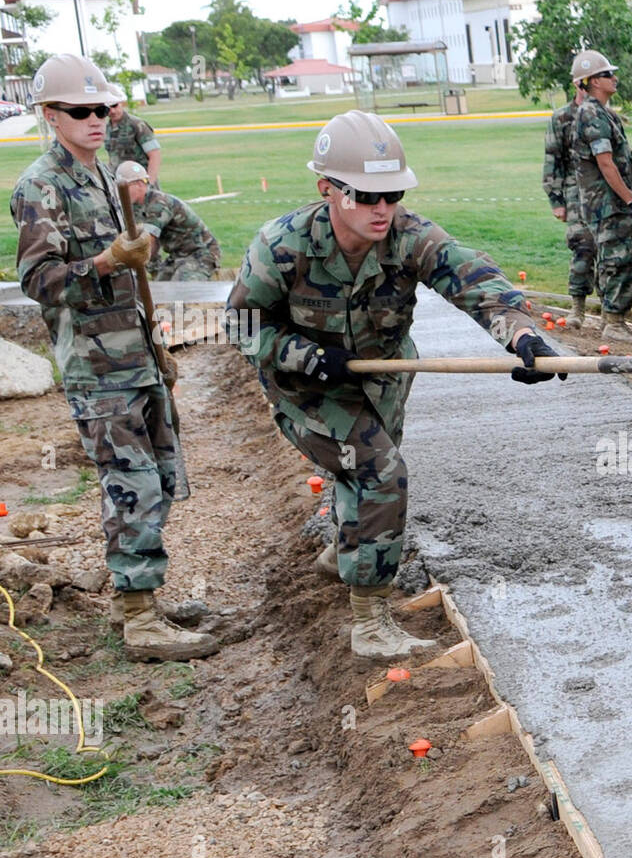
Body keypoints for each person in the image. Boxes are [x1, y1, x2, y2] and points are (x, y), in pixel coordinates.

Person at [227, 111, 566, 660]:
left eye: (391, 193)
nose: (382, 208)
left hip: (384, 380)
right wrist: (307, 357)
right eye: (365, 195)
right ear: (328, 189)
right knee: (381, 471)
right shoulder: (282, 245)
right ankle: (371, 621)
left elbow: (476, 283)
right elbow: (241, 324)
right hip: (305, 388)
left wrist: (522, 337)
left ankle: (344, 551)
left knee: (359, 467)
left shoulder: (409, 235)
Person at [9, 54, 218, 661]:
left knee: (159, 476)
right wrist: (103, 263)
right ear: (51, 116)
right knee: (131, 484)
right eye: (81, 110)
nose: (97, 118)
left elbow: (133, 275)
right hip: (97, 369)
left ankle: (143, 596)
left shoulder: (102, 175)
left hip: (137, 356)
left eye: (102, 108)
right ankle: (138, 618)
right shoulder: (40, 186)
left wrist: (158, 347)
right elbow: (38, 281)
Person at [571, 50, 632, 346]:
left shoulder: (606, 113)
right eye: (607, 74)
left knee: (615, 259)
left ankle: (612, 321)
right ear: (591, 81)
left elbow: (624, 159)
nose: (614, 78)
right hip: (605, 204)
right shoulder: (591, 113)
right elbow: (605, 163)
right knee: (619, 260)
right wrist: (631, 201)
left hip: (612, 202)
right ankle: (614, 324)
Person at [542, 84, 597, 331]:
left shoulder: (604, 114)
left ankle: (611, 312)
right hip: (575, 192)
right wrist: (556, 200)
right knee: (582, 245)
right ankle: (578, 307)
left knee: (608, 251)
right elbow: (551, 159)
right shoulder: (562, 117)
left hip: (605, 192)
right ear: (578, 84)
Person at [115, 161, 221, 280]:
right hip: (177, 255)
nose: (120, 193)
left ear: (140, 184)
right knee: (161, 290)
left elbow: (149, 244)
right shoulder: (135, 206)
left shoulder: (158, 203)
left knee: (182, 292)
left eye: (125, 188)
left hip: (200, 253)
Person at [105, 89, 161, 186]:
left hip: (140, 182)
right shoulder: (107, 128)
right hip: (121, 184)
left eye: (115, 105)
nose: (112, 111)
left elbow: (154, 155)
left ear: (121, 103)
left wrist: (149, 184)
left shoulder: (137, 125)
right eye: (107, 108)